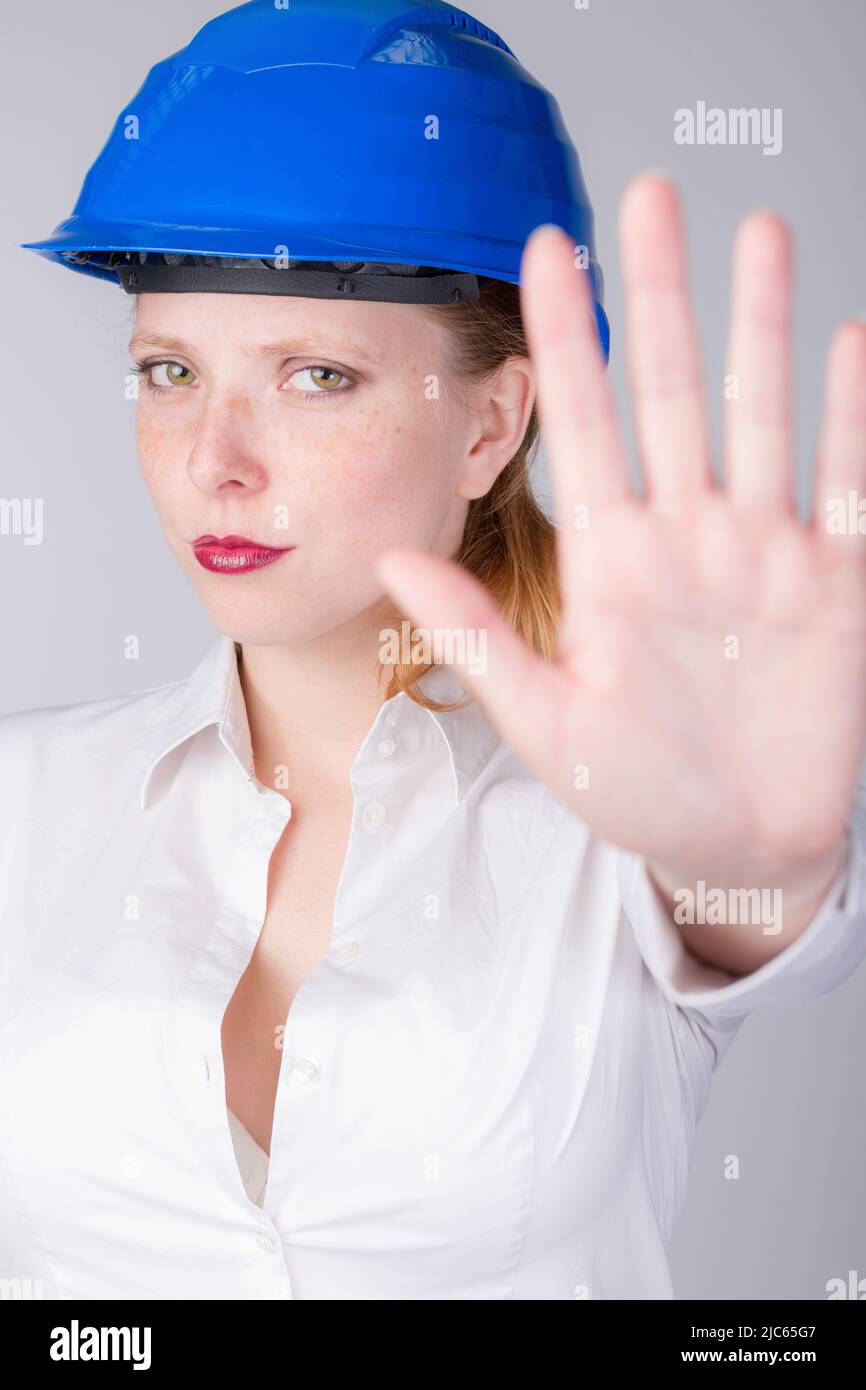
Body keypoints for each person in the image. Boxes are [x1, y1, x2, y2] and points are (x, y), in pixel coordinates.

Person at [3, 0, 865, 1301]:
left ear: (489, 426)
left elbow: (740, 909)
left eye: (314, 375)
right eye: (170, 371)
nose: (212, 462)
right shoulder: (22, 808)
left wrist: (748, 863)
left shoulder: (624, 823)